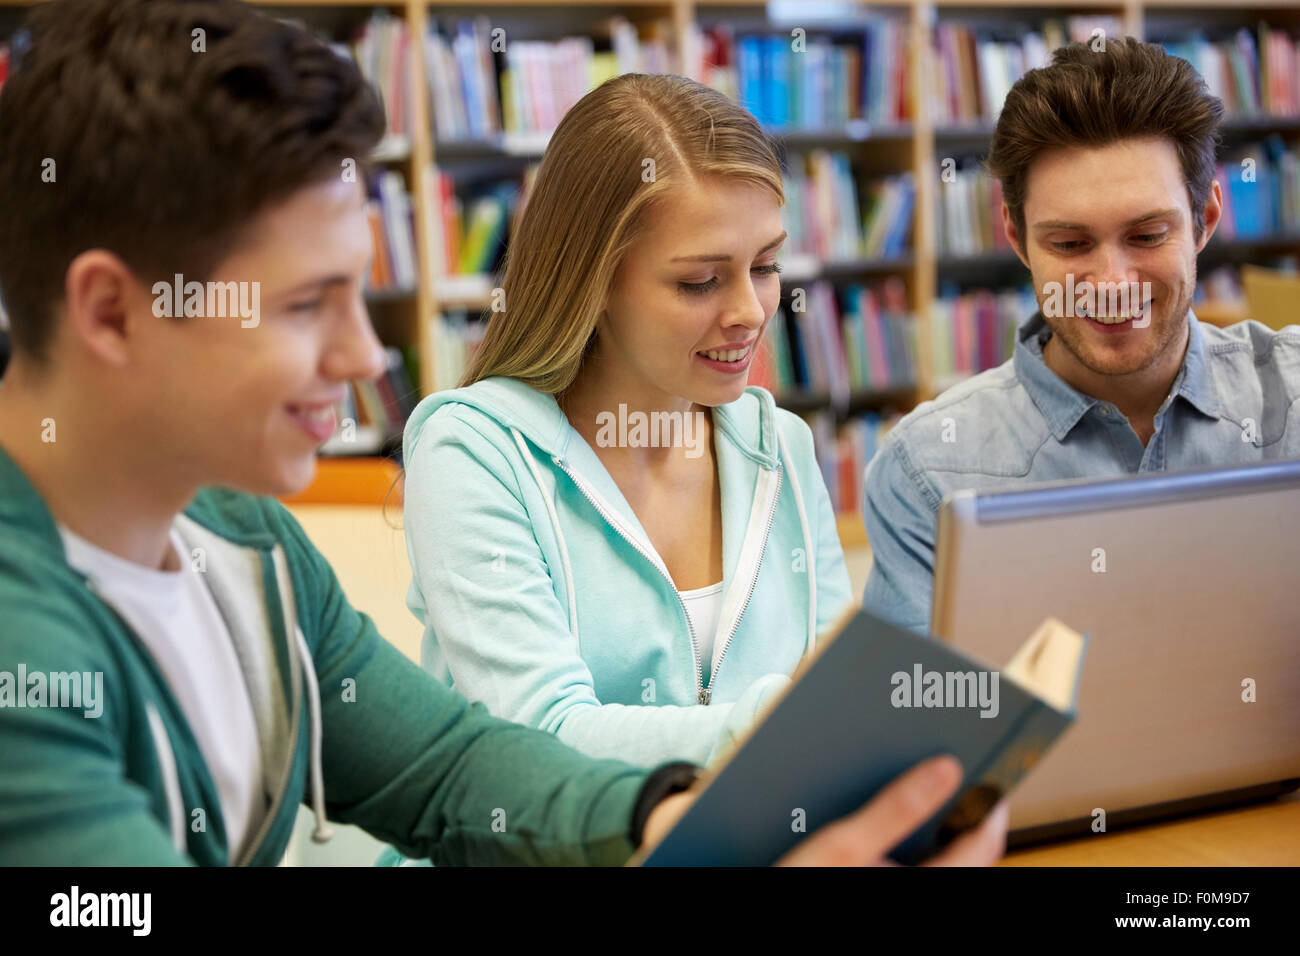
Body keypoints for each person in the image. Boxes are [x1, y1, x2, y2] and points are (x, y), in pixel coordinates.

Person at [0, 0, 1006, 867]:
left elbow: (446, 765)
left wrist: (671, 819)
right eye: (308, 303)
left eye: (359, 292)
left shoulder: (241, 538)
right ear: (113, 312)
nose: (364, 358)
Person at [401, 73, 853, 772]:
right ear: (594, 278)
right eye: (699, 281)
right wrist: (775, 725)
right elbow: (539, 739)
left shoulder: (780, 447)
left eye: (764, 266)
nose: (751, 312)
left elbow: (833, 695)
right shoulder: (471, 453)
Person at [862, 37, 1300, 633]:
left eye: (1147, 236)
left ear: (1206, 220)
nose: (1112, 284)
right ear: (1017, 240)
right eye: (1069, 245)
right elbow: (920, 719)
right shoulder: (927, 470)